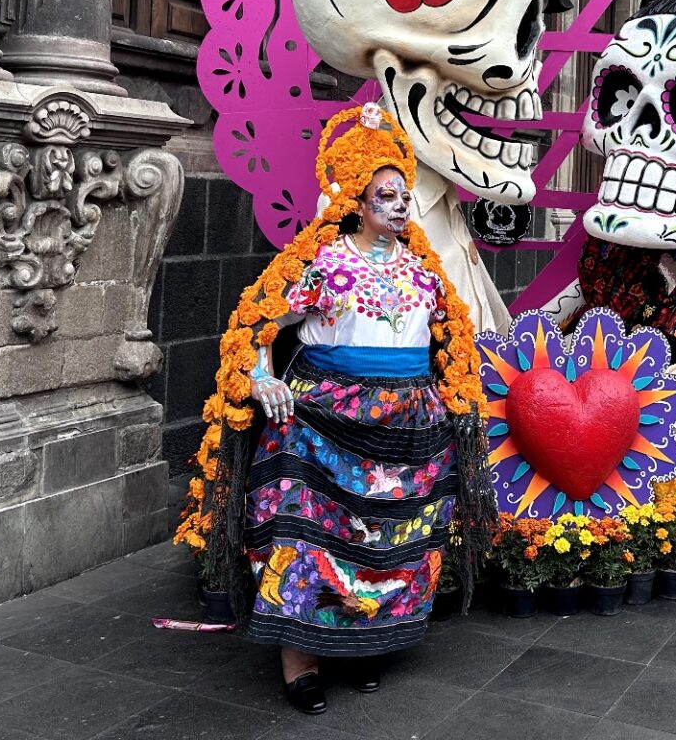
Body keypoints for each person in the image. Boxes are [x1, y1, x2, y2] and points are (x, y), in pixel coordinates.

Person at [175, 104, 493, 715]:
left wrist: (460, 398)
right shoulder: (325, 262)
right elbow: (262, 324)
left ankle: (365, 644)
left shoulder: (423, 269)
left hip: (408, 424)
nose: (401, 206)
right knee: (306, 533)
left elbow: (451, 339)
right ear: (356, 197)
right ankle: (302, 665)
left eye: (405, 195)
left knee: (397, 540)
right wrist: (263, 377)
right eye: (387, 195)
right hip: (326, 420)